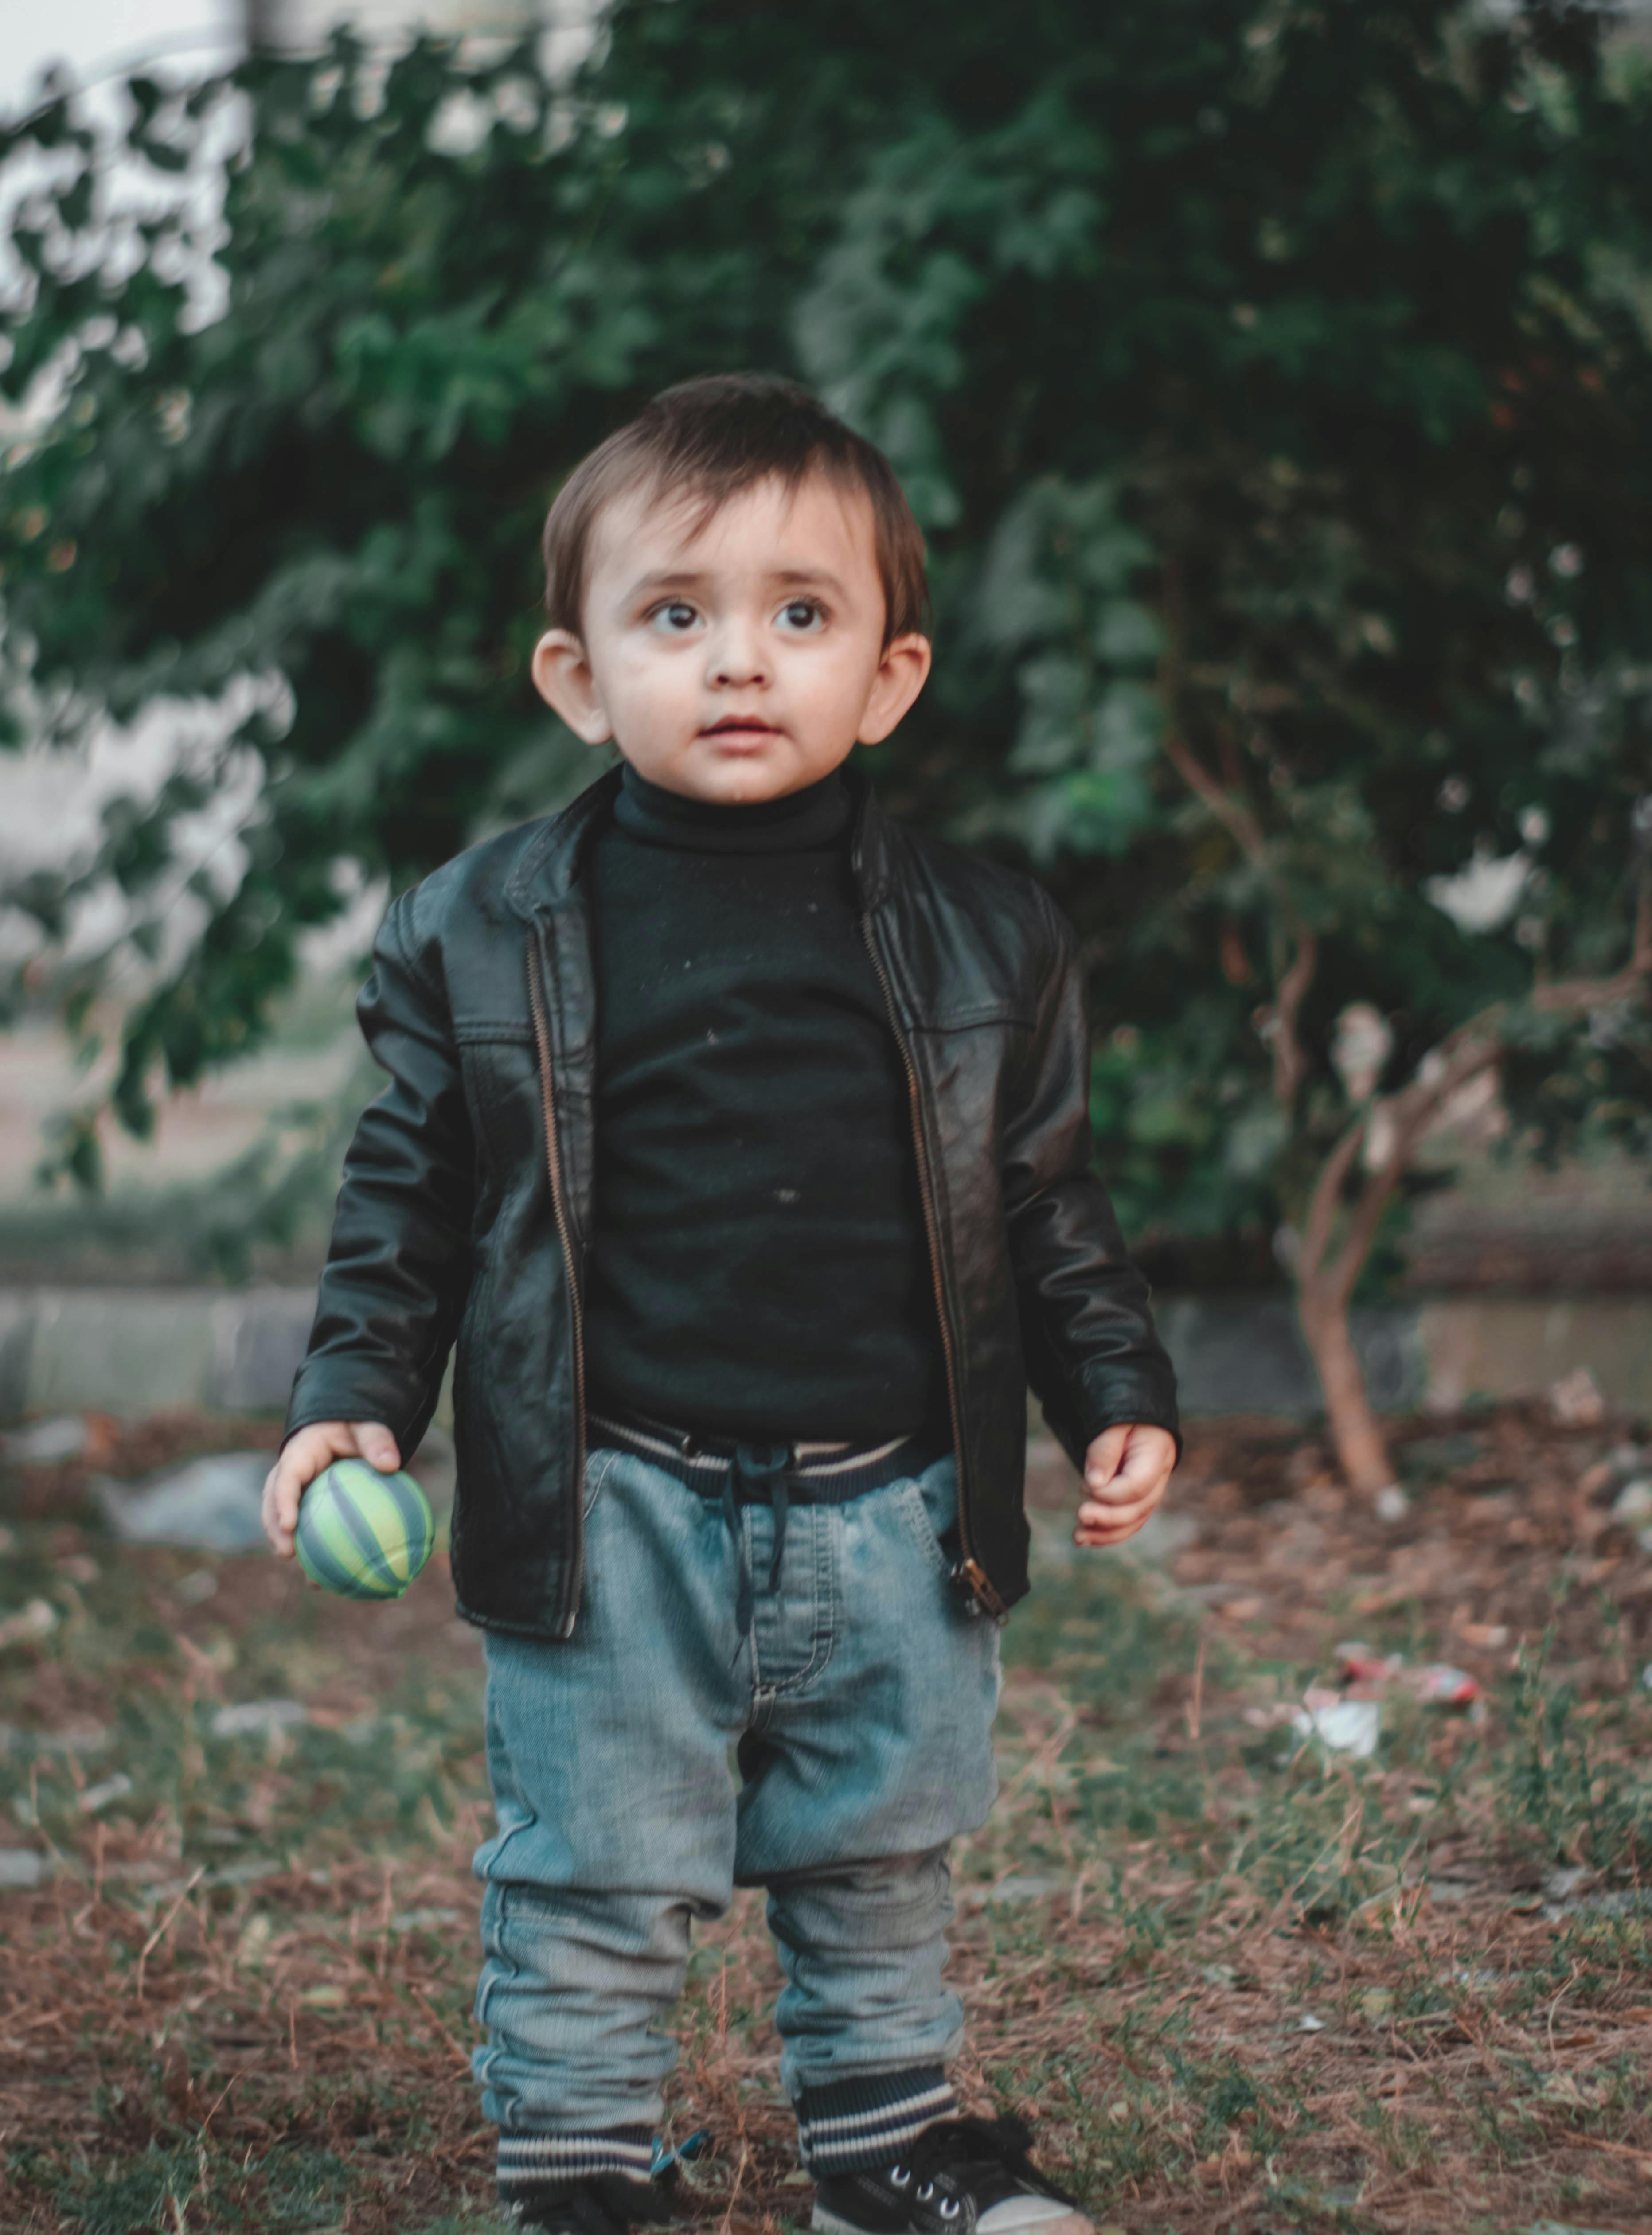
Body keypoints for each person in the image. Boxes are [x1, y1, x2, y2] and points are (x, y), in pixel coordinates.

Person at [262, 376, 1180, 2235]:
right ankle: (584, 2173)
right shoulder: (488, 925)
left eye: (800, 614)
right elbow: (412, 1192)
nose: (739, 660)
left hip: (899, 1500)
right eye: (674, 615)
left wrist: (1115, 1386)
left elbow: (1039, 1196)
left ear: (889, 678)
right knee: (593, 1867)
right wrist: (356, 1380)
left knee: (881, 1850)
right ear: (579, 679)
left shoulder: (985, 932)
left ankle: (886, 2147)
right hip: (616, 1500)